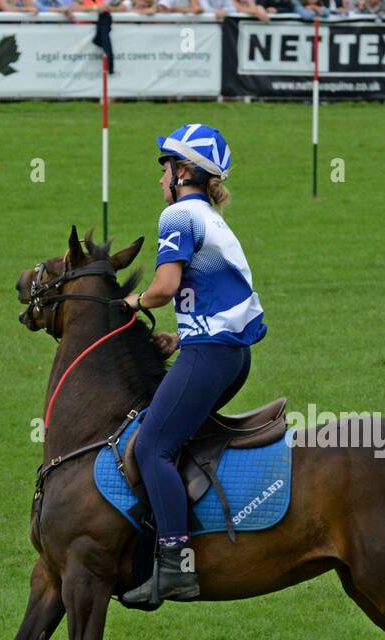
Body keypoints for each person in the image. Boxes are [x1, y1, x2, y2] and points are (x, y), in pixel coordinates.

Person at [120, 125, 266, 604]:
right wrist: (181, 337)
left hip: (213, 357)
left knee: (153, 447)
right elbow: (215, 296)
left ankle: (176, 565)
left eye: (164, 167)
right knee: (171, 436)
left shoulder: (179, 214)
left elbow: (163, 288)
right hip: (226, 355)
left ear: (183, 172)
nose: (160, 178)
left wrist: (131, 302)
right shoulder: (207, 215)